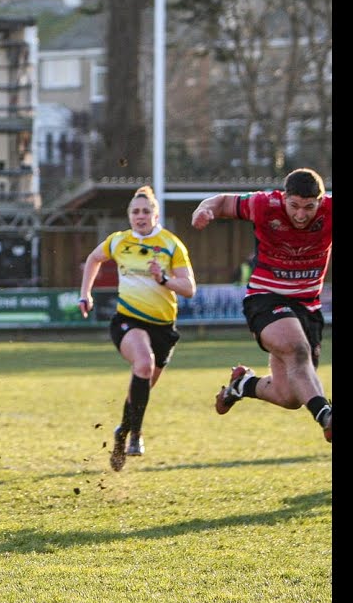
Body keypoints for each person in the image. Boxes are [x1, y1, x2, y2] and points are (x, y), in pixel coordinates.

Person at [190, 168, 332, 443]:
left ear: (320, 201)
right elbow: (220, 202)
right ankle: (326, 415)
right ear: (284, 197)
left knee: (289, 396)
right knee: (297, 350)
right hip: (266, 297)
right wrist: (203, 209)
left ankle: (243, 385)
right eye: (294, 206)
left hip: (307, 306)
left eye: (309, 207)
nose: (301, 215)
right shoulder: (263, 204)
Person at [79, 186, 196, 471]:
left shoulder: (171, 245)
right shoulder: (119, 241)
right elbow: (94, 259)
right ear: (129, 215)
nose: (140, 216)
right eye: (135, 211)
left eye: (146, 211)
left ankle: (122, 433)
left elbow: (189, 289)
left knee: (140, 388)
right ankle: (136, 436)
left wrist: (164, 279)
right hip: (128, 320)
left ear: (156, 214)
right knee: (143, 364)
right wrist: (85, 294)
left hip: (164, 328)